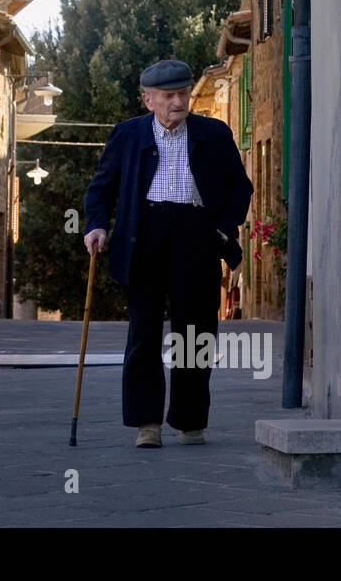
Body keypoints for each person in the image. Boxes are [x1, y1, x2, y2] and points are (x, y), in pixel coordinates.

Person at [82, 59, 253, 448]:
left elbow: (239, 188)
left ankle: (190, 421)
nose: (178, 102)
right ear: (148, 100)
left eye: (183, 94)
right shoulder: (127, 135)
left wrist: (224, 229)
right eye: (169, 95)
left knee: (194, 333)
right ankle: (147, 424)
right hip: (143, 237)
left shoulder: (213, 134)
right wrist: (96, 225)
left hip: (196, 236)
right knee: (143, 333)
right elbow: (100, 188)